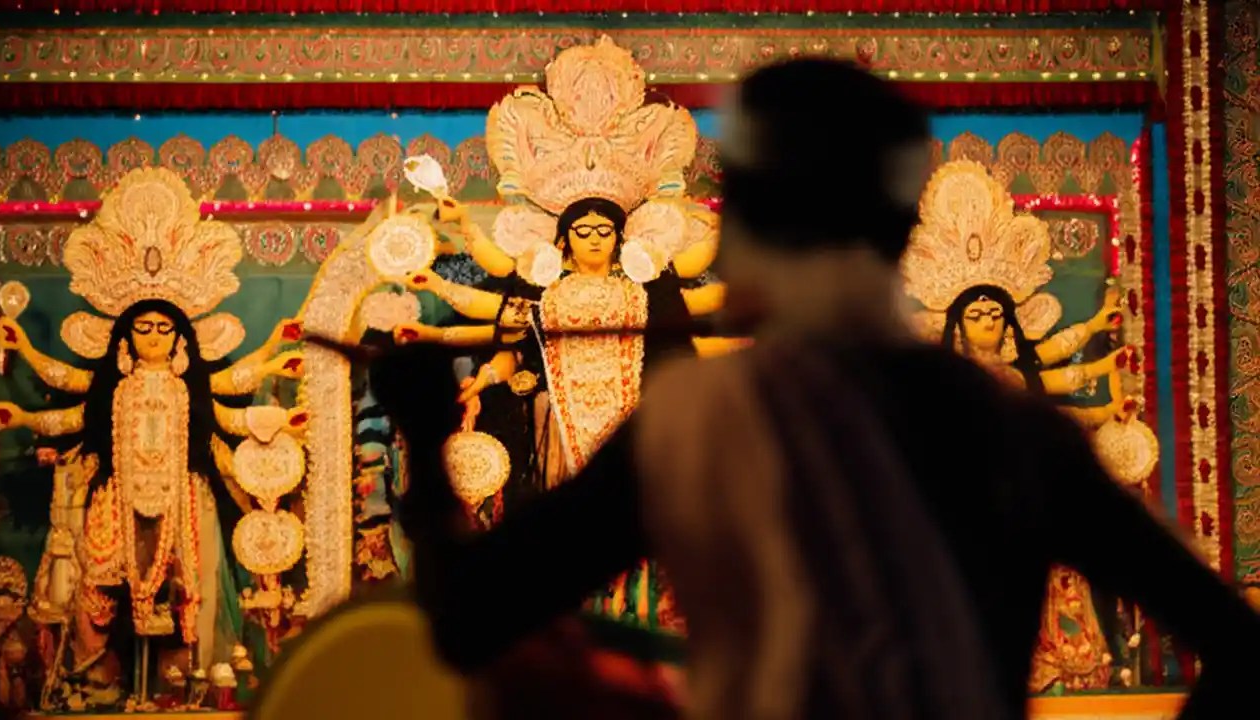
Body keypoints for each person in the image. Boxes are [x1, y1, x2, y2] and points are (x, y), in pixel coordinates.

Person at [361, 58, 1260, 720]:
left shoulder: (704, 424)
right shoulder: (1016, 430)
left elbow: (469, 624)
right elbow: (1242, 648)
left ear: (741, 227)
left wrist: (429, 437)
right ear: (906, 227)